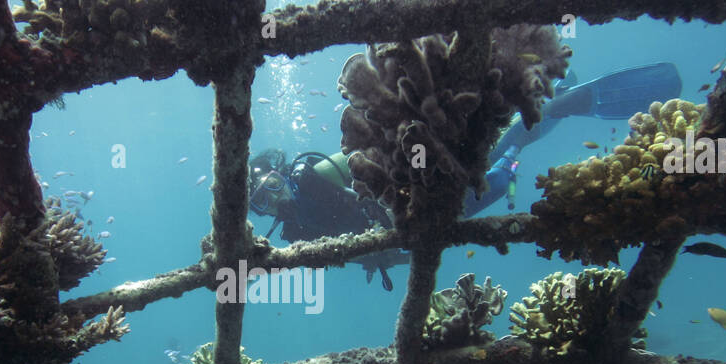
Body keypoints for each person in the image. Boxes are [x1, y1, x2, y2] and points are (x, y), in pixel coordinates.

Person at [249, 62, 682, 289]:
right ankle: (544, 110)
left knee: (492, 169)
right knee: (494, 172)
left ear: (281, 174)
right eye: (263, 201)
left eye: (272, 185)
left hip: (418, 187)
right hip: (413, 221)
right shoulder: (296, 231)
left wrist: (420, 157)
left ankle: (550, 102)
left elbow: (365, 156)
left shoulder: (311, 175)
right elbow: (354, 253)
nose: (275, 197)